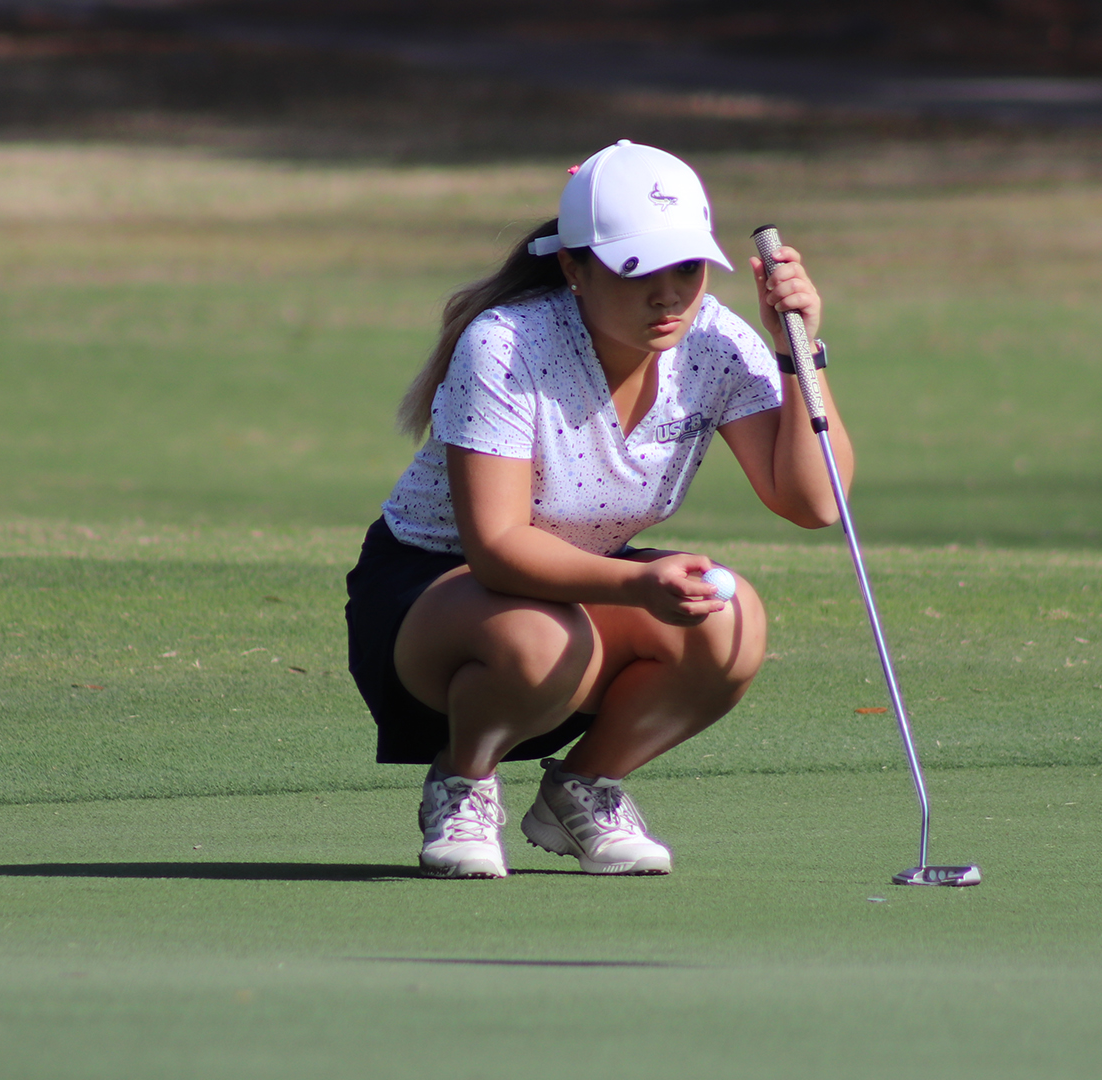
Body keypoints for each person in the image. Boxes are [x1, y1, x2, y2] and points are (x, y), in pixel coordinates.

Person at [343, 140, 853, 878]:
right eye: (636, 269)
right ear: (573, 269)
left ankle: (581, 790)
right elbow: (494, 545)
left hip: (579, 590)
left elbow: (812, 501)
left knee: (730, 616)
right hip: (432, 596)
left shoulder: (712, 339)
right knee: (540, 637)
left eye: (686, 268)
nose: (669, 295)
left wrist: (798, 351)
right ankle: (464, 780)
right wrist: (637, 586)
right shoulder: (509, 342)